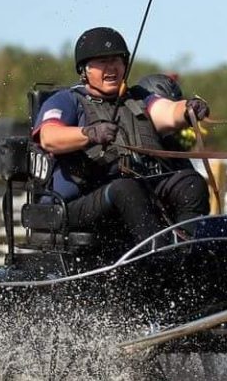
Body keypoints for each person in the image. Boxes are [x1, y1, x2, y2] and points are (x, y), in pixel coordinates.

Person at [31, 27, 210, 244]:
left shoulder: (138, 98)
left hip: (140, 193)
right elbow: (49, 137)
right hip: (82, 204)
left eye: (116, 60)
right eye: (102, 62)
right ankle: (159, 257)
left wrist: (189, 108)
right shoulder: (66, 101)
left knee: (190, 182)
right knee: (124, 189)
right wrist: (88, 133)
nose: (111, 68)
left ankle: (186, 249)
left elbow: (169, 113)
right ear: (84, 69)